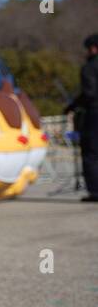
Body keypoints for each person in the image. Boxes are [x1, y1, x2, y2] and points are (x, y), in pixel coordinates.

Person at [65, 33, 98, 202]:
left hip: (94, 114)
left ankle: (95, 191)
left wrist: (72, 106)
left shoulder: (90, 68)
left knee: (91, 153)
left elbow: (89, 93)